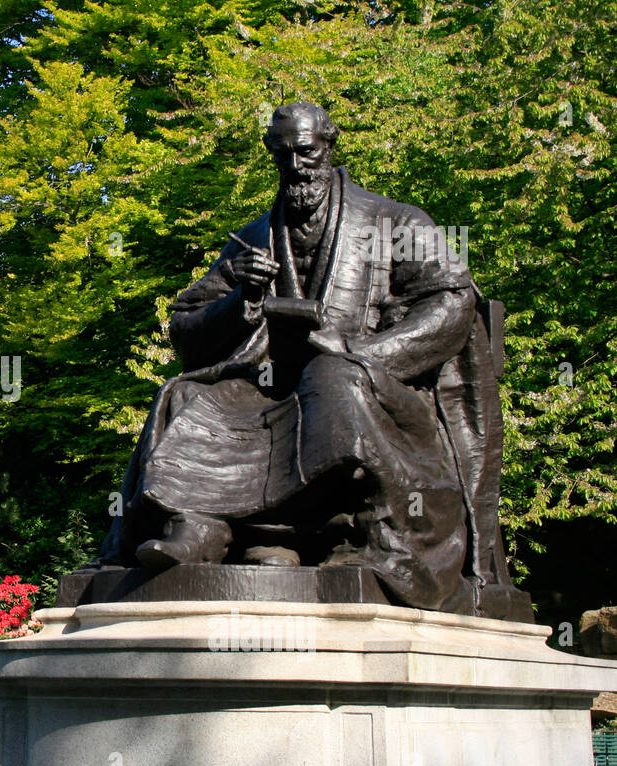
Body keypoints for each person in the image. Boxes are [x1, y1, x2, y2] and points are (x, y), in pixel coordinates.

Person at [95, 101, 511, 615]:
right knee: (186, 393)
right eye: (283, 155)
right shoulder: (252, 238)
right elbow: (186, 327)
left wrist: (364, 352)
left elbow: (453, 301)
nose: (296, 167)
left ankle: (358, 538)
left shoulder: (395, 221)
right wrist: (240, 300)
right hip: (273, 389)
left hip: (377, 387)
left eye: (307, 151)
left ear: (330, 147)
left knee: (334, 380)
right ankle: (202, 527)